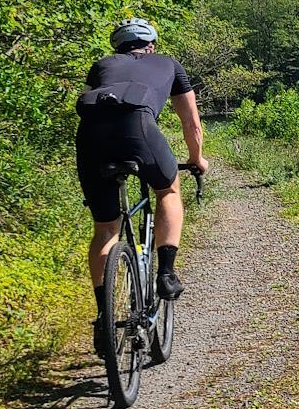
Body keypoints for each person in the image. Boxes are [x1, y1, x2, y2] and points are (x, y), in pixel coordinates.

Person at [76, 19, 207, 357]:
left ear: (118, 46)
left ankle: (105, 318)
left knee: (105, 230)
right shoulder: (168, 64)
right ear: (150, 45)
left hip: (90, 137)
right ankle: (165, 273)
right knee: (169, 191)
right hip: (138, 127)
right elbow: (190, 120)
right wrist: (197, 159)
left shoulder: (102, 65)